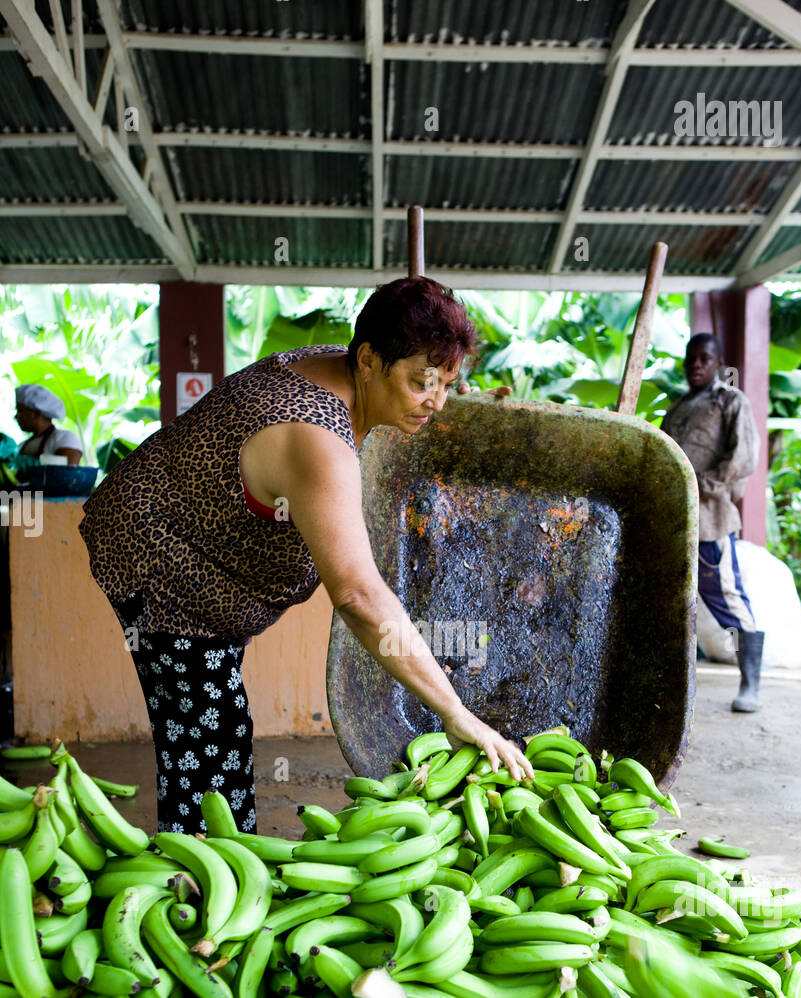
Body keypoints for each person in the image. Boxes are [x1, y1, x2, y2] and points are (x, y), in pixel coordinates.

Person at [79, 276, 533, 833]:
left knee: (208, 728)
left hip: (191, 551)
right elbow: (357, 594)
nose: (435, 402)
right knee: (211, 750)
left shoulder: (338, 368)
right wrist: (457, 714)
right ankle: (202, 887)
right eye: (422, 383)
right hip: (159, 565)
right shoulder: (315, 437)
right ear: (369, 360)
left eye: (447, 384)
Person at [661, 333, 764, 713]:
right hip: (675, 520)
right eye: (691, 359)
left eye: (705, 358)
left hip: (710, 520)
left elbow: (742, 458)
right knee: (670, 601)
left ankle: (750, 683)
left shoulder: (730, 402)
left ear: (719, 363)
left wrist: (698, 486)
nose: (697, 365)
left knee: (727, 596)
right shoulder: (679, 407)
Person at [14, 385, 83, 467]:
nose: (16, 416)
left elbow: (68, 472)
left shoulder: (65, 438)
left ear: (36, 413)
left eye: (20, 411)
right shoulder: (22, 446)